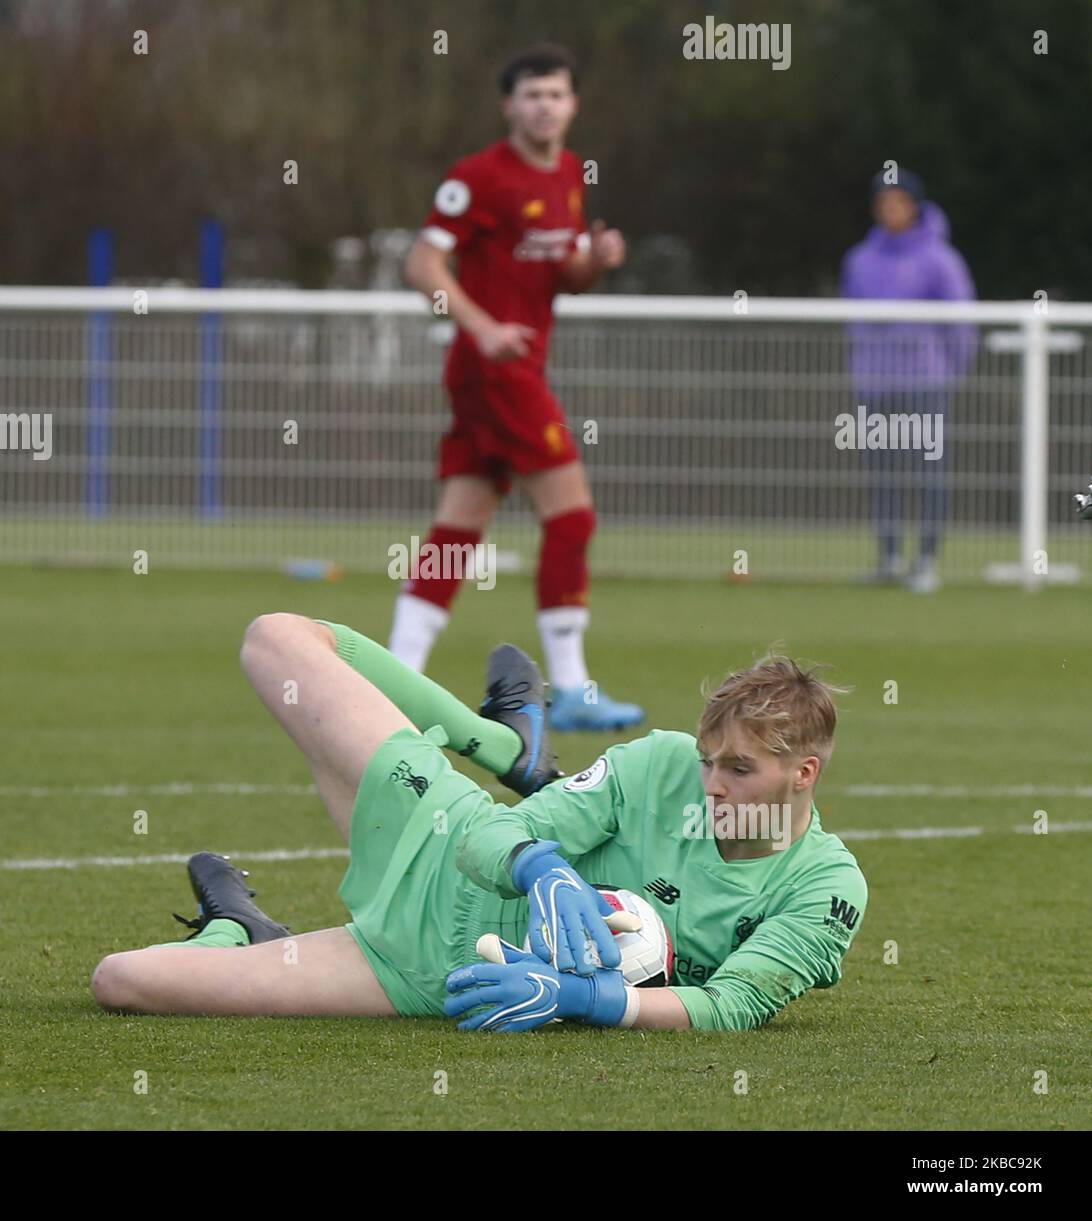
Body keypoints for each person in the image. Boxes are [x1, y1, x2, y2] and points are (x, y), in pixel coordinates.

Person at [90, 616, 868, 1034]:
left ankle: (240, 926)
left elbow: (733, 1004)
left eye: (738, 769)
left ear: (805, 773)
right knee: (280, 640)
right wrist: (543, 867)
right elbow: (494, 833)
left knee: (123, 980)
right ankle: (500, 742)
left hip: (423, 979)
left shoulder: (825, 886)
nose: (711, 784)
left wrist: (581, 999)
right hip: (434, 832)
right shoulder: (661, 764)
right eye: (709, 760)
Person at [390, 42, 644, 732]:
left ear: (573, 104)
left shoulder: (566, 173)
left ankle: (395, 673)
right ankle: (572, 688)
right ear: (509, 105)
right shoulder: (478, 176)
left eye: (557, 94)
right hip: (495, 370)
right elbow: (422, 265)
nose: (545, 106)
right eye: (532, 94)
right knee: (573, 515)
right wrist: (481, 326)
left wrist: (595, 261)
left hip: (512, 368)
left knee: (458, 526)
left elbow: (562, 273)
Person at [841, 169, 977, 593]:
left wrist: (951, 371)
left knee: (928, 472)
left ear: (914, 206)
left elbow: (963, 322)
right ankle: (889, 558)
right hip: (876, 383)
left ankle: (926, 561)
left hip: (925, 381)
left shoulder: (940, 258)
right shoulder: (860, 259)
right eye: (883, 202)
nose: (890, 210)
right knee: (882, 471)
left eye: (898, 202)